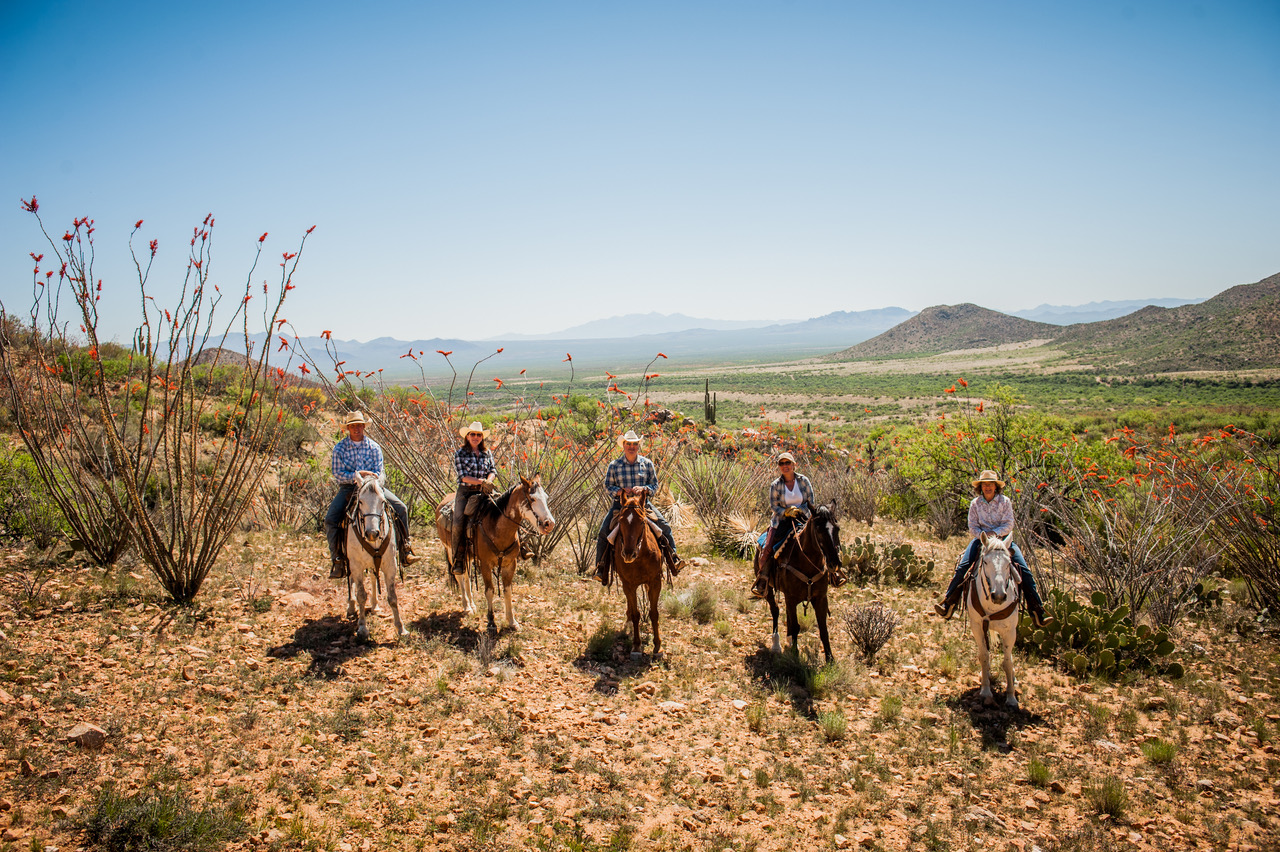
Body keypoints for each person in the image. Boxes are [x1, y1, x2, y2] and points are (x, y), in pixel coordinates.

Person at [933, 470, 1052, 627]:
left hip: (1003, 541)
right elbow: (972, 526)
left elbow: (1009, 524)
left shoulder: (1005, 502)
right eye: (984, 484)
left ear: (996, 487)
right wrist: (983, 536)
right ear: (980, 487)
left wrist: (994, 534)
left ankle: (1037, 610)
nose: (987, 487)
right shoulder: (975, 504)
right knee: (963, 567)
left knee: (1024, 570)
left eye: (990, 484)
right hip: (981, 541)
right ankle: (949, 604)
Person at [325, 411, 418, 579]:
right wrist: (356, 475)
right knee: (331, 519)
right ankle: (337, 558)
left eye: (359, 425)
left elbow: (380, 472)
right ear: (348, 428)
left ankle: (405, 548)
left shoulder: (374, 447)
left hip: (373, 488)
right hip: (349, 488)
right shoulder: (340, 448)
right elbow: (338, 473)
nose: (356, 428)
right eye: (353, 426)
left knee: (401, 508)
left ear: (363, 427)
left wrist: (371, 480)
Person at [594, 430, 684, 584]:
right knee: (604, 532)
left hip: (642, 506)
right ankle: (601, 568)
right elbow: (608, 486)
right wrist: (620, 491)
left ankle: (673, 558)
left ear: (638, 446)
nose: (631, 447)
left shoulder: (647, 464)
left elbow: (654, 484)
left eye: (634, 444)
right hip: (620, 506)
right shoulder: (614, 465)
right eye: (628, 443)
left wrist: (645, 490)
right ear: (623, 445)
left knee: (664, 526)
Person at [751, 452, 815, 598]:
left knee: (823, 538)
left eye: (788, 463)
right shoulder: (776, 485)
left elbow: (811, 501)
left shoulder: (804, 481)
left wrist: (800, 510)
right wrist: (786, 512)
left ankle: (832, 573)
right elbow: (773, 506)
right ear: (779, 467)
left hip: (803, 519)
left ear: (793, 465)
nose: (785, 466)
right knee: (768, 547)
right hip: (782, 521)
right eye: (782, 463)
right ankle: (763, 579)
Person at [449, 420, 498, 576]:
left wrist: (489, 480)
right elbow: (463, 477)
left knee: (507, 508)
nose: (476, 437)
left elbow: (493, 470)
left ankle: (518, 546)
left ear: (482, 437)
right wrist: (481, 481)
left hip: (485, 491)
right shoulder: (460, 453)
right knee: (458, 522)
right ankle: (459, 558)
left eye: (478, 435)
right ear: (467, 436)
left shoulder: (486, 453)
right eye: (473, 434)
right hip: (466, 492)